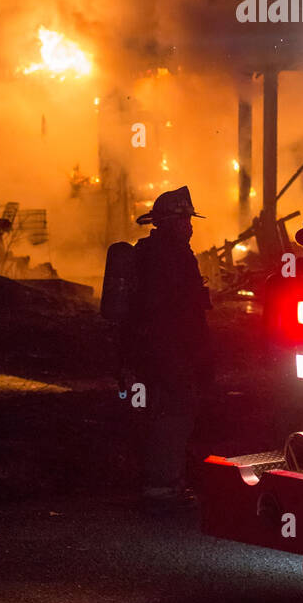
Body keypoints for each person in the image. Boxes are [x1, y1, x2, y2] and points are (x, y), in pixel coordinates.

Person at [115, 186, 213, 510]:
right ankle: (163, 487)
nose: (190, 226)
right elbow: (176, 310)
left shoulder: (148, 252)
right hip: (167, 350)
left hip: (147, 350)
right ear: (171, 222)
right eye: (185, 219)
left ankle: (159, 480)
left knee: (156, 411)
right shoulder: (173, 257)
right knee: (176, 411)